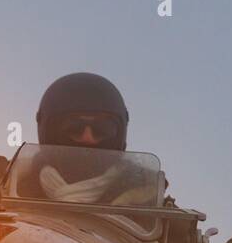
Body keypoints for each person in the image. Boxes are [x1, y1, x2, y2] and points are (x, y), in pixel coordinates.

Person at [25, 72, 153, 205]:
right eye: (73, 128)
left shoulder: (153, 205)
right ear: (48, 132)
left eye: (102, 129)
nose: (88, 139)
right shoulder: (8, 191)